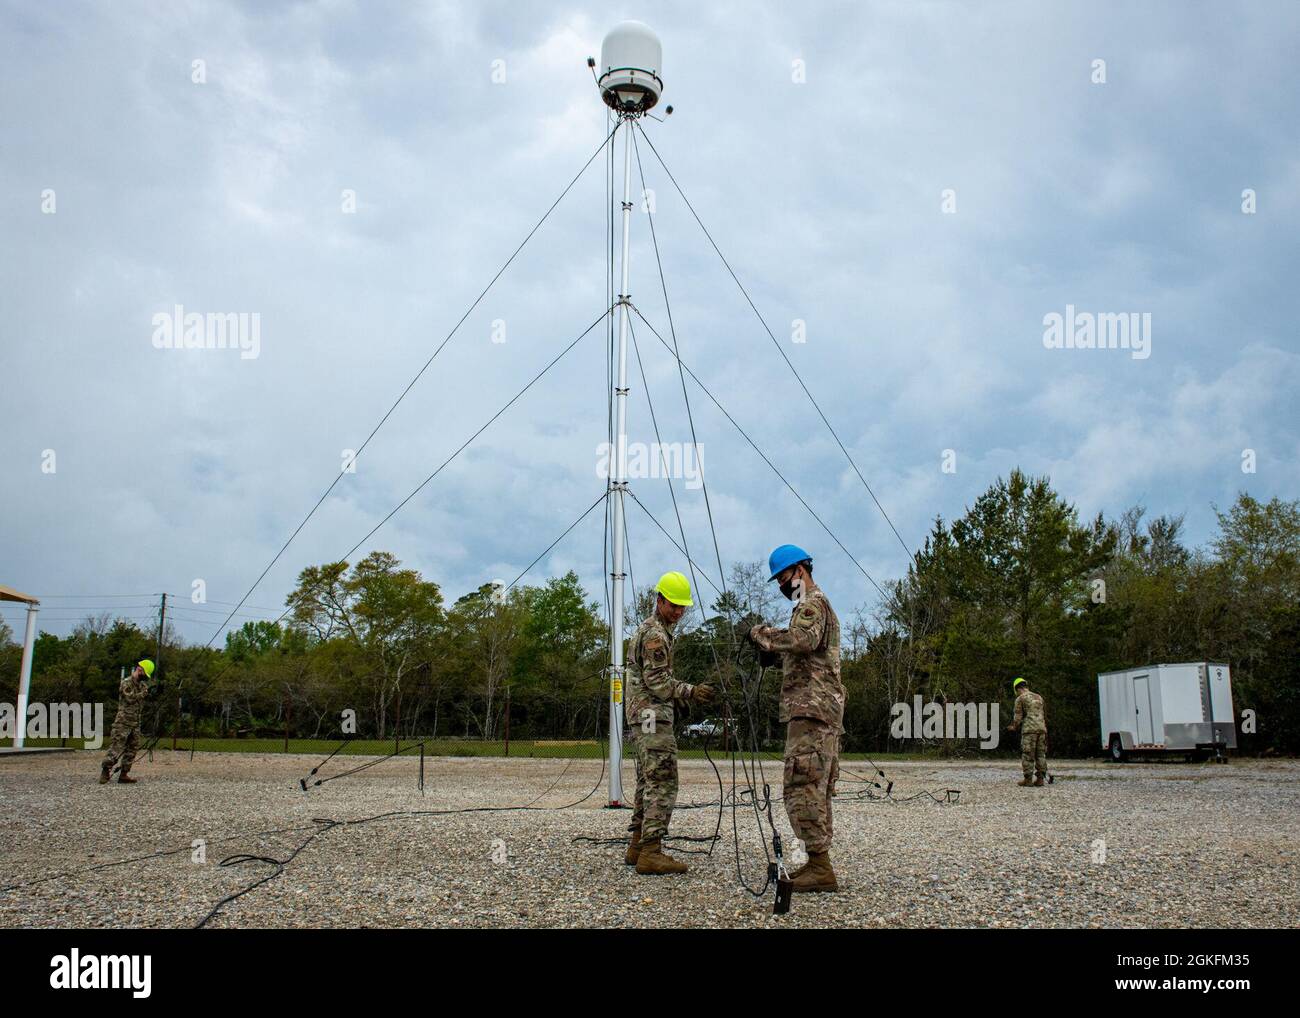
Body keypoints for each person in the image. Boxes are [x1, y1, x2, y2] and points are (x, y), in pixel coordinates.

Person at [749, 545, 845, 893]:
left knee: (802, 785)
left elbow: (804, 639)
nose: (781, 585)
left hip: (812, 710)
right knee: (815, 787)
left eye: (783, 578)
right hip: (818, 709)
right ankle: (818, 863)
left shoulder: (811, 604)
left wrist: (762, 635)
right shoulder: (812, 605)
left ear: (800, 570)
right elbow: (810, 655)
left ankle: (820, 867)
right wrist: (775, 659)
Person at [624, 571, 714, 875]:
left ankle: (638, 845)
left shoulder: (654, 630)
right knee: (662, 777)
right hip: (651, 714)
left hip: (644, 714)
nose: (678, 611)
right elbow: (658, 682)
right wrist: (691, 692)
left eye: (682, 606)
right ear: (659, 600)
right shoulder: (655, 635)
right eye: (673, 605)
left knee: (648, 777)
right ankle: (651, 851)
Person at [99, 659, 154, 785]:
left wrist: (151, 694)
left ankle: (124, 774)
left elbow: (143, 699)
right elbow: (130, 698)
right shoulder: (126, 683)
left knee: (132, 749)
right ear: (140, 669)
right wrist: (143, 694)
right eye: (144, 674)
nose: (145, 677)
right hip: (122, 722)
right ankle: (105, 770)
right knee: (116, 748)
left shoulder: (143, 686)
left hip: (135, 723)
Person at [1007, 676, 1047, 786]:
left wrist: (1013, 727)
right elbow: (1043, 714)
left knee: (1028, 755)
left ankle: (1028, 780)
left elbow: (1018, 717)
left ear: (1016, 688)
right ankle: (1040, 780)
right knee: (1040, 754)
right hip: (1042, 729)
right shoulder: (1039, 697)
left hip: (1029, 730)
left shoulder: (1020, 698)